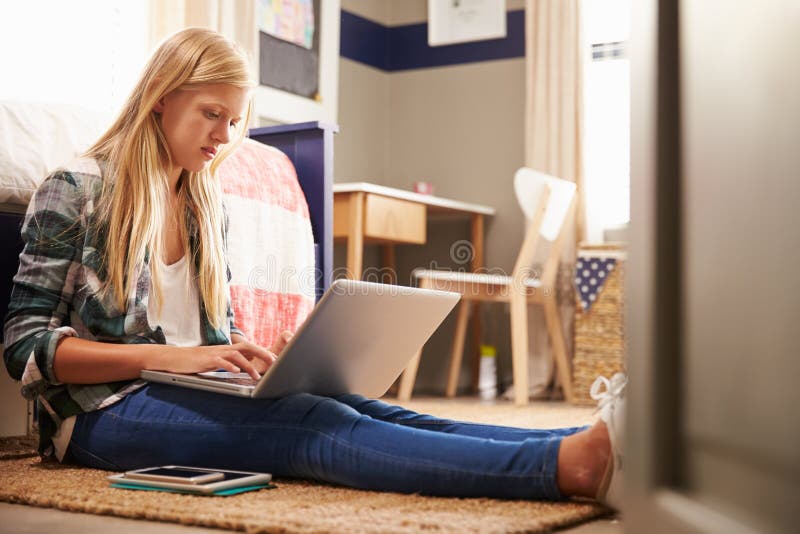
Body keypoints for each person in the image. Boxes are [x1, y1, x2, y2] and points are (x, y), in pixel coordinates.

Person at [2, 27, 625, 505]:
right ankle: (567, 469)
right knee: (312, 426)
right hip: (98, 414)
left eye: (235, 119)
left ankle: (574, 444)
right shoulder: (76, 188)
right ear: (162, 101)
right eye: (210, 113)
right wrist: (169, 358)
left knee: (363, 407)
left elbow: (201, 336)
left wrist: (239, 351)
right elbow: (24, 347)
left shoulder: (201, 200)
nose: (224, 135)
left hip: (183, 387)